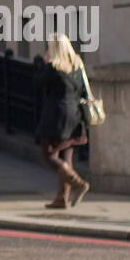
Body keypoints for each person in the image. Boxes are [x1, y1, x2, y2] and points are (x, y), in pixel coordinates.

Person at [35, 33, 90, 209]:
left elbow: (36, 85)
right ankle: (62, 198)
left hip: (57, 117)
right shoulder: (77, 66)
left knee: (49, 155)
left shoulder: (53, 67)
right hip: (75, 116)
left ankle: (78, 183)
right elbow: (83, 90)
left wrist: (41, 65)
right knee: (66, 158)